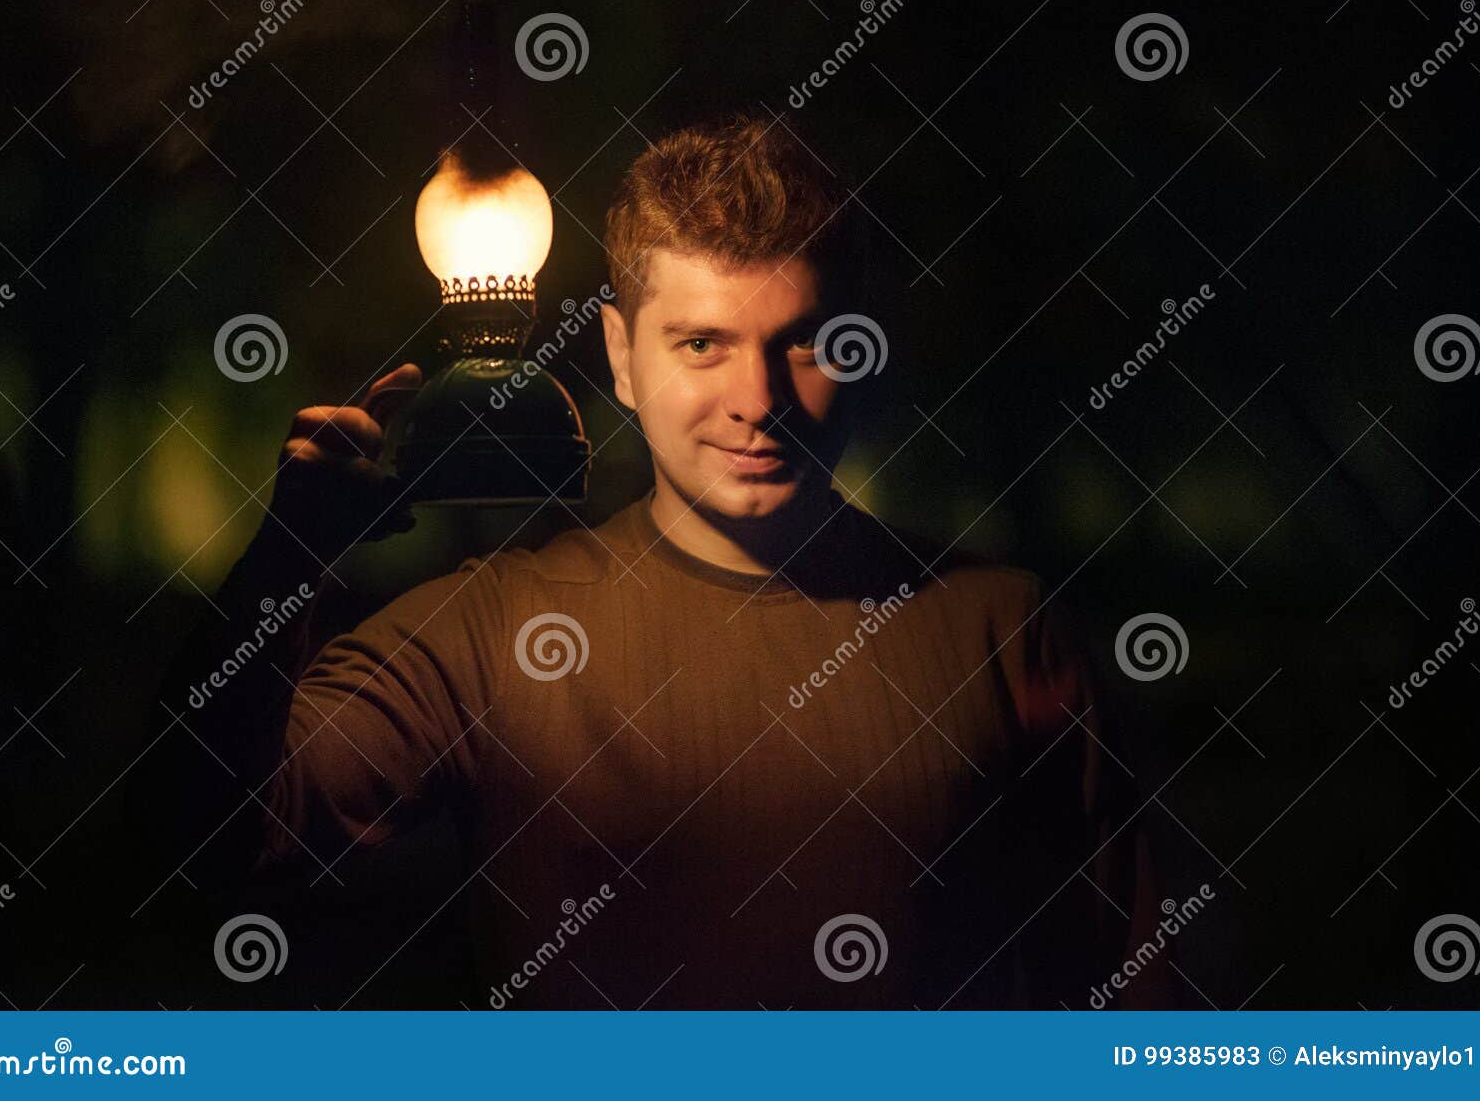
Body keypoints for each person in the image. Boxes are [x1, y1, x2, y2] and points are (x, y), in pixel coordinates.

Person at [134, 113, 1173, 1009]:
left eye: (801, 342)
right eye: (702, 344)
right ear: (621, 358)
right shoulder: (495, 636)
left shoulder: (1000, 631)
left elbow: (1141, 1004)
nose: (757, 400)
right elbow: (203, 842)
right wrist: (285, 562)